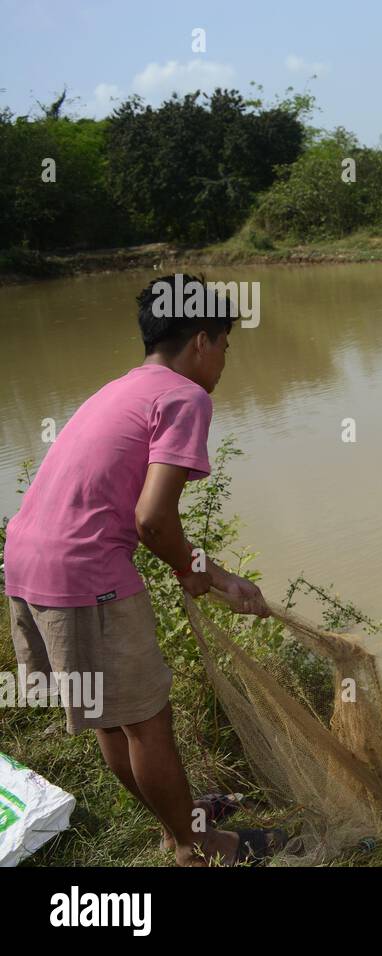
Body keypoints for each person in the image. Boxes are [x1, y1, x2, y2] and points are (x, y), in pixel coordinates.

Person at [3, 275, 285, 866]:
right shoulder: (185, 397)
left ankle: (179, 818)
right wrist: (200, 572)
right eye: (226, 348)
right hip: (84, 576)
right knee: (146, 725)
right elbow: (153, 520)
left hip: (28, 566)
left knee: (113, 719)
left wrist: (209, 572)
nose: (224, 363)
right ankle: (196, 845)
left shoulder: (121, 388)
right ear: (202, 340)